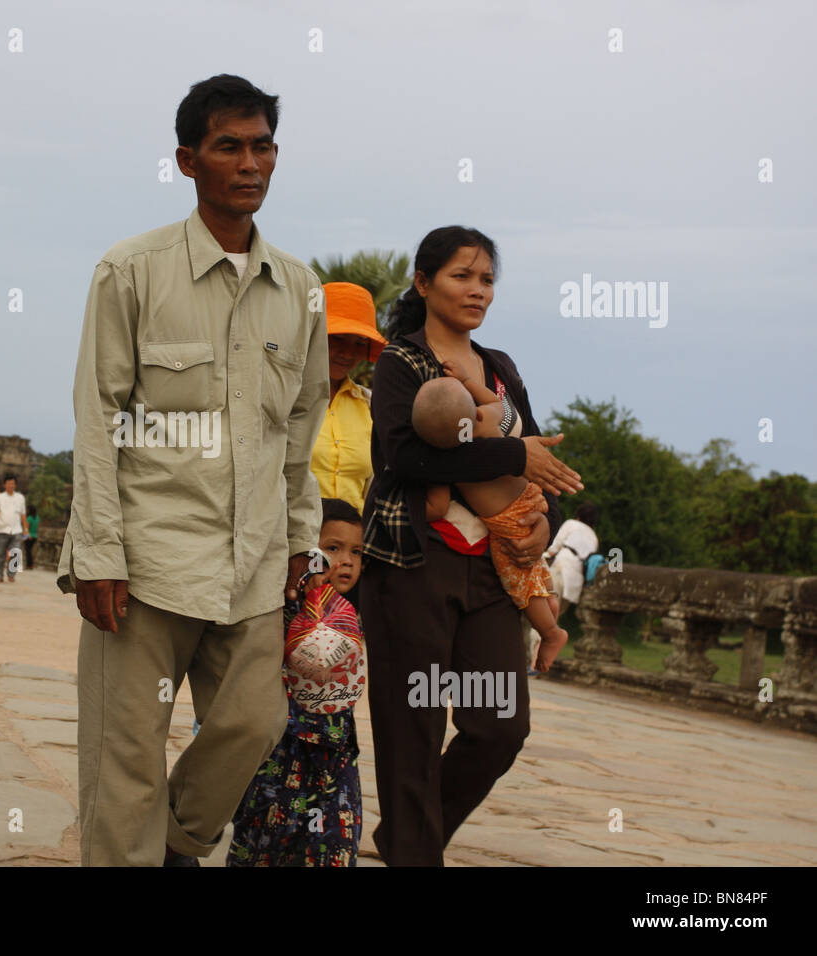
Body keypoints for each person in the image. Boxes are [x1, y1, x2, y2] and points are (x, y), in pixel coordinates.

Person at [56, 74, 329, 866]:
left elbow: (299, 429)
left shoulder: (300, 290)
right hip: (145, 562)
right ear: (187, 160)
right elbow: (97, 419)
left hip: (252, 563)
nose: (250, 163)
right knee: (126, 758)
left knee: (255, 723)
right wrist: (98, 550)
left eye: (263, 145)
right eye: (229, 146)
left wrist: (299, 545)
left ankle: (175, 844)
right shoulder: (131, 271)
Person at [358, 226, 583, 866]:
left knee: (499, 728)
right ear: (425, 284)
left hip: (492, 573)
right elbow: (403, 456)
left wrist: (544, 522)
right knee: (413, 728)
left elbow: (537, 460)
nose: (477, 290)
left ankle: (412, 838)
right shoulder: (399, 363)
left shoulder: (500, 368)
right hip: (413, 563)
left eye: (486, 279)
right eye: (462, 276)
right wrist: (514, 451)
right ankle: (413, 851)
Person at [228, 498, 367, 867]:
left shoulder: (352, 613)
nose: (348, 561)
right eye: (333, 548)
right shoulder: (279, 606)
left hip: (336, 754)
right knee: (262, 845)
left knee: (337, 843)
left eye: (357, 551)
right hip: (278, 751)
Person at [412, 369, 568, 671]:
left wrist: (414, 499)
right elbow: (504, 406)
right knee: (534, 562)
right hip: (532, 497)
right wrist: (469, 382)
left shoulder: (444, 461)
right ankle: (547, 597)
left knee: (516, 575)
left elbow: (438, 507)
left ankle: (550, 632)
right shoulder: (485, 419)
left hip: (510, 521)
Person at [311, 282, 386, 515]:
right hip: (289, 543)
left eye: (359, 344)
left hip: (351, 545)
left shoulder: (372, 407)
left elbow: (374, 488)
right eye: (338, 339)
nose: (347, 353)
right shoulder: (283, 399)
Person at [527, 503, 600, 669]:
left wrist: (541, 556)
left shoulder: (571, 524)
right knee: (553, 620)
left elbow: (554, 546)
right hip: (575, 582)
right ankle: (540, 662)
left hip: (562, 569)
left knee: (542, 618)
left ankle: (532, 660)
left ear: (578, 515)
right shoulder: (594, 537)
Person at [0, 474, 28, 583]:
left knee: (16, 553)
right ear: (4, 485)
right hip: (2, 529)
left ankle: (11, 574)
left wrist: (26, 528)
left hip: (16, 530)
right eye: (9, 483)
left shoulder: (20, 498)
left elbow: (23, 514)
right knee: (0, 554)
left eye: (13, 483)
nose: (11, 485)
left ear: (15, 485)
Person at [24, 505, 39, 569]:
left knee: (28, 551)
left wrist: (26, 536)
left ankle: (29, 565)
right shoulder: (37, 518)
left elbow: (26, 528)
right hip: (35, 536)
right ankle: (31, 564)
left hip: (28, 536)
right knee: (30, 551)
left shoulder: (29, 518)